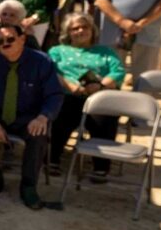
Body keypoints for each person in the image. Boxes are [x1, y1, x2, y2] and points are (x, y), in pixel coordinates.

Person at [0, 20, 65, 210]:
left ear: (23, 39)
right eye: (0, 41)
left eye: (10, 39)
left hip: (29, 118)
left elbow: (54, 95)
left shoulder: (42, 62)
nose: (5, 44)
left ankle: (28, 186)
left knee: (38, 133)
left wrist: (43, 116)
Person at [45, 11, 123, 176]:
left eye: (85, 27)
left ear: (92, 30)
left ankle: (100, 165)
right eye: (75, 28)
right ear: (68, 32)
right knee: (62, 112)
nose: (80, 31)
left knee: (104, 119)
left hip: (99, 97)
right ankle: (52, 158)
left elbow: (117, 72)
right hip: (68, 95)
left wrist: (100, 86)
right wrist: (70, 85)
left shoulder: (105, 52)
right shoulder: (57, 51)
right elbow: (52, 71)